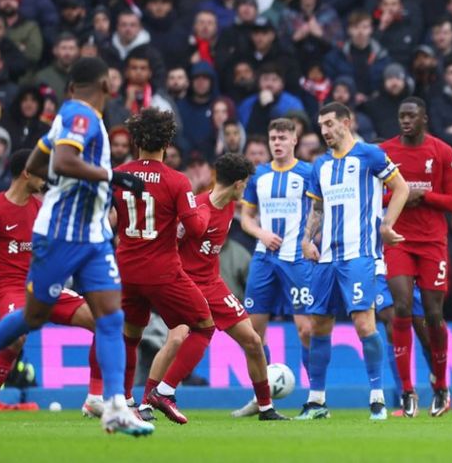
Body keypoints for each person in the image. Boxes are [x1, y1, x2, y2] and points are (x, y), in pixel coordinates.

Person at [0, 57, 153, 436]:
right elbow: (62, 159)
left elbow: (40, 161)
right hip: (61, 233)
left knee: (111, 318)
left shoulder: (65, 117)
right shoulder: (82, 116)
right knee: (32, 317)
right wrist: (113, 176)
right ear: (108, 86)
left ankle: (112, 407)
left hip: (92, 236)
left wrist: (63, 185)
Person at [145, 153, 287, 421]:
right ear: (237, 184)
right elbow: (168, 246)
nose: (245, 190)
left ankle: (266, 407)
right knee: (175, 340)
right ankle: (148, 401)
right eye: (244, 184)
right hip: (185, 284)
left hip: (212, 284)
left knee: (253, 341)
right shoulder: (196, 210)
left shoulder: (230, 208)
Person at [302, 102, 410, 421]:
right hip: (327, 258)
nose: (324, 130)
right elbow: (318, 209)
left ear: (346, 123)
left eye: (330, 123)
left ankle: (376, 398)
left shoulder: (370, 155)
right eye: (321, 125)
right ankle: (317, 401)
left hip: (360, 256)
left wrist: (386, 225)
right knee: (317, 326)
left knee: (365, 324)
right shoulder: (320, 165)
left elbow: (401, 188)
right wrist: (308, 239)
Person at [0, 149, 105, 420]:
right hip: (12, 288)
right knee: (16, 339)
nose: (47, 178)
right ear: (26, 173)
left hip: (45, 286)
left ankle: (94, 398)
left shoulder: (40, 208)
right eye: (42, 172)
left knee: (102, 321)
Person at [112, 109, 215, 425]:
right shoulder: (177, 180)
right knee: (203, 325)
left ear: (135, 139)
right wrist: (203, 208)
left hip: (126, 269)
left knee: (130, 336)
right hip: (162, 272)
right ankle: (163, 391)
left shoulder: (117, 174)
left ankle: (126, 401)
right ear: (168, 142)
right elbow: (196, 230)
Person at [379, 97, 452, 417]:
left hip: (432, 243)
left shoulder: (443, 152)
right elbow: (376, 195)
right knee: (400, 306)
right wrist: (400, 195)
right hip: (398, 239)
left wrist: (422, 195)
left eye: (411, 116)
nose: (405, 121)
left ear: (424, 118)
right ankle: (407, 390)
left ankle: (440, 386)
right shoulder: (384, 151)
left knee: (432, 315)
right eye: (401, 116)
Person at [236, 118, 316, 417]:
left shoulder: (307, 173)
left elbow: (318, 211)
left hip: (296, 259)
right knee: (253, 333)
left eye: (283, 137)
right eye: (273, 138)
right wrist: (261, 234)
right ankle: (262, 398)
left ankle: (316, 397)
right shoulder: (259, 175)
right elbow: (246, 218)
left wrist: (310, 239)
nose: (277, 143)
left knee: (306, 329)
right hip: (263, 260)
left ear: (294, 140)